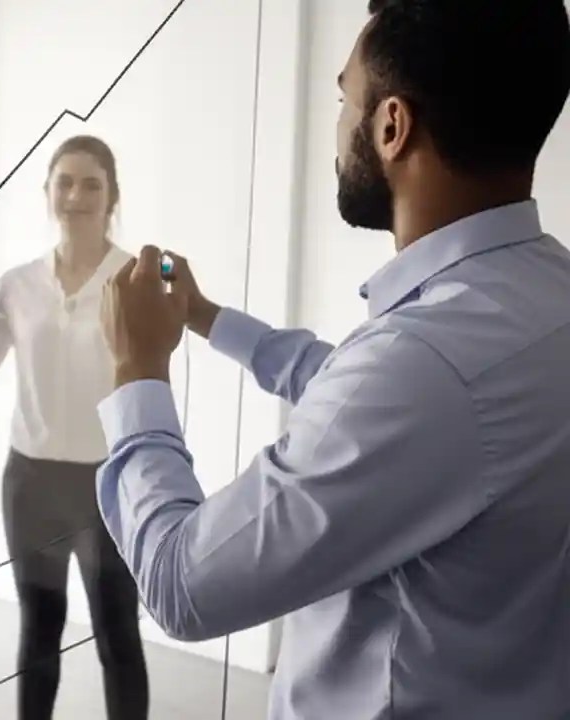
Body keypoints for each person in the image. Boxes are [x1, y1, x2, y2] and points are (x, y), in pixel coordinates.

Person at [96, 2, 570, 719]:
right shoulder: (540, 293)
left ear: (391, 126)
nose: (339, 123)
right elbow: (362, 397)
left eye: (344, 98)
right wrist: (206, 316)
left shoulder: (422, 365)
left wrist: (137, 368)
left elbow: (180, 584)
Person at [0, 135, 148, 720]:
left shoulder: (134, 278)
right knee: (39, 634)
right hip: (31, 483)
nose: (76, 195)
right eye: (65, 182)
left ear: (112, 197)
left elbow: (152, 382)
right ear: (48, 192)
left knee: (117, 636)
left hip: (108, 486)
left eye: (91, 184)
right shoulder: (17, 284)